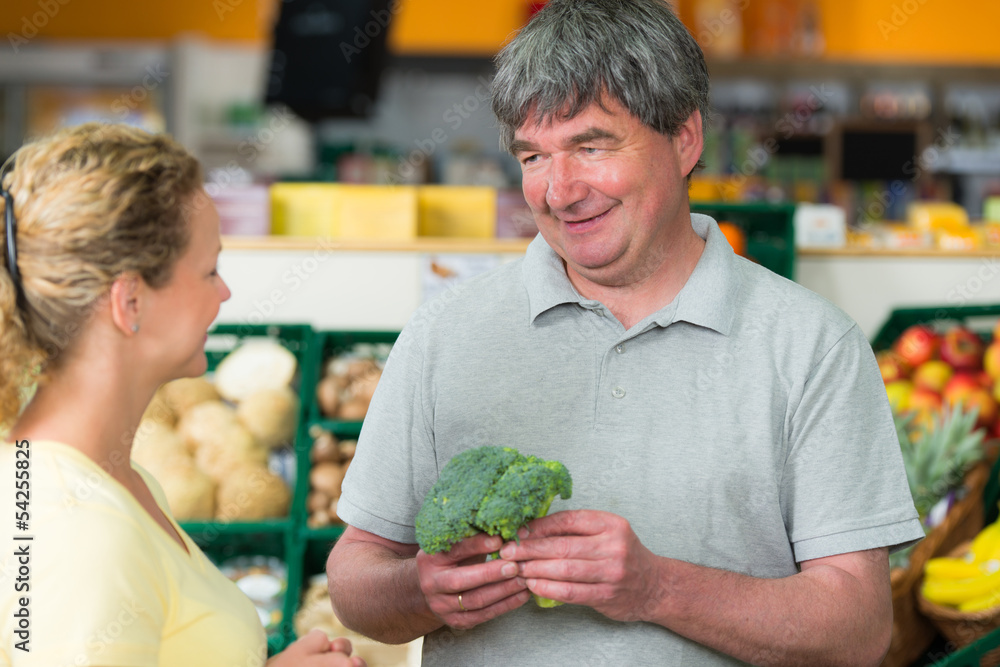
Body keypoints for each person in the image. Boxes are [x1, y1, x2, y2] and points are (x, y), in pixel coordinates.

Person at [327, 0, 925, 665]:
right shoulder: (444, 333)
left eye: (591, 146)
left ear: (685, 139)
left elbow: (859, 629)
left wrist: (657, 588)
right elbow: (354, 577)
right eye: (534, 156)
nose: (559, 191)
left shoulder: (812, 346)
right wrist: (420, 590)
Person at [0, 123, 364, 667]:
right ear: (130, 301)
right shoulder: (80, 530)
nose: (225, 291)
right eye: (209, 270)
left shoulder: (109, 478)